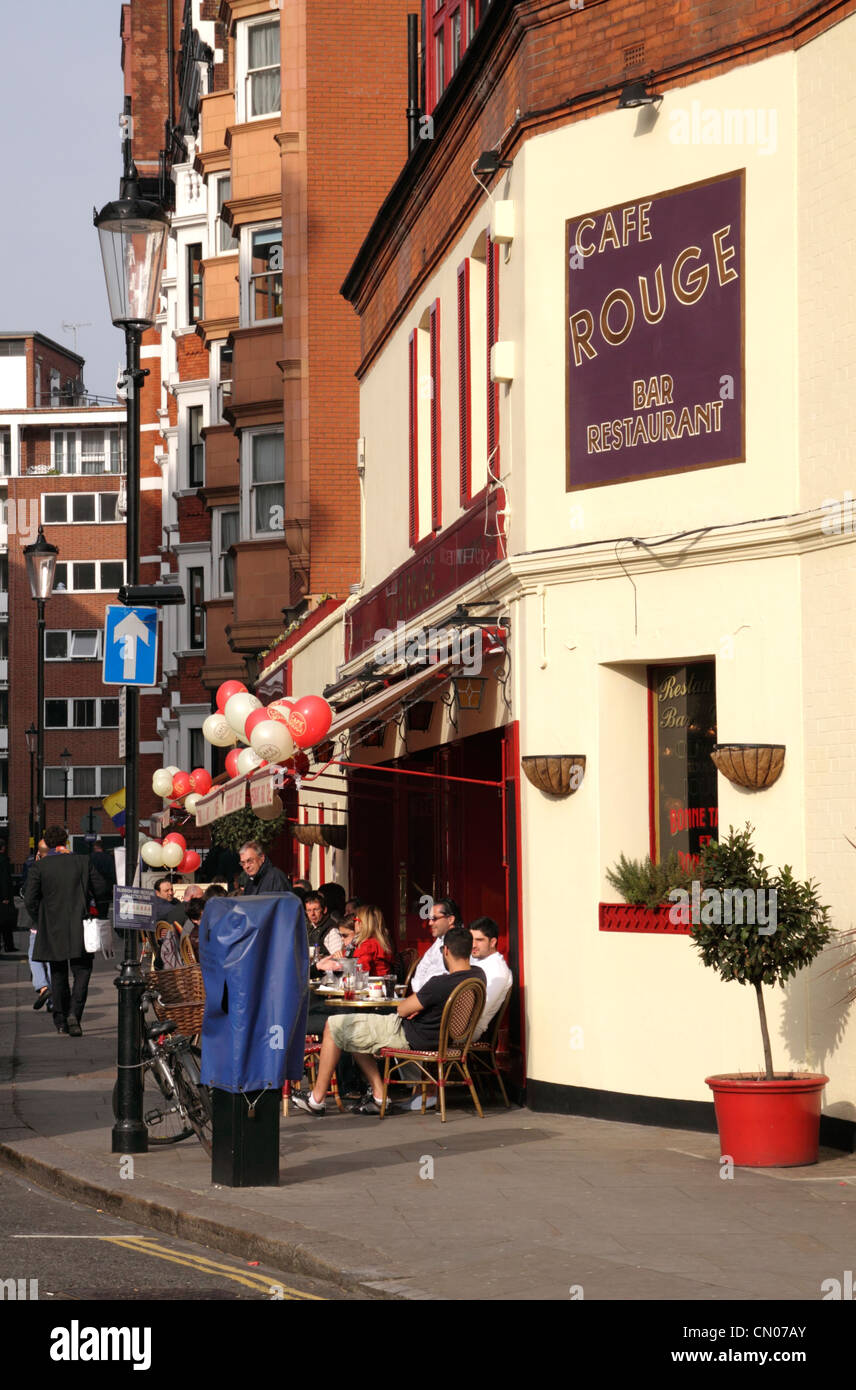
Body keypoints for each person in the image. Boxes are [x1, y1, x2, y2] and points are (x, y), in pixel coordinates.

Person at [293, 925, 486, 1116]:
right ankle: (378, 1095)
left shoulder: (440, 983)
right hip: (443, 1040)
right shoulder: (478, 976)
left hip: (410, 1035)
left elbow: (402, 1009)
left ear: (446, 951)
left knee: (335, 1025)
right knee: (352, 1027)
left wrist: (417, 1008)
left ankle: (316, 1100)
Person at [24, 826, 97, 1037]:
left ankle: (61, 1020)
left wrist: (41, 918)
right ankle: (74, 1013)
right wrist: (94, 909)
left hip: (52, 928)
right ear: (65, 841)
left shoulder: (40, 867)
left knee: (58, 974)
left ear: (46, 842)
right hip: (79, 927)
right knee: (82, 972)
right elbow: (100, 888)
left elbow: (30, 899)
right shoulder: (82, 861)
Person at [318, 905, 394, 977]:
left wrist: (341, 962)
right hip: (382, 984)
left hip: (374, 986)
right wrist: (341, 955)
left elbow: (360, 969)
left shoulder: (367, 945)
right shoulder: (378, 942)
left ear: (363, 923)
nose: (354, 922)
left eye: (355, 920)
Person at [469, 916, 513, 1040]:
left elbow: (479, 1011)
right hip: (450, 1022)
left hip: (467, 1032)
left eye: (479, 940)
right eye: (471, 939)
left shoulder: (498, 970)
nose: (473, 945)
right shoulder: (473, 958)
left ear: (493, 942)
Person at [410, 897, 462, 993]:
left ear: (450, 920)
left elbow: (444, 978)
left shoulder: (461, 943)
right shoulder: (439, 939)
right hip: (423, 996)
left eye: (434, 918)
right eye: (429, 919)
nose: (430, 923)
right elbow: (422, 966)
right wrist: (418, 992)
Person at [25, 840, 51, 1010]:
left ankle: (43, 987)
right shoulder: (59, 870)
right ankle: (52, 1001)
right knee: (50, 961)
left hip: (38, 923)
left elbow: (29, 898)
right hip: (56, 922)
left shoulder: (36, 871)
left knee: (34, 957)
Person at [305, 892, 343, 956]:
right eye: (309, 910)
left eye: (316, 909)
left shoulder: (331, 931)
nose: (312, 914)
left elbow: (338, 958)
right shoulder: (307, 927)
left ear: (324, 910)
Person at [89, 840, 116, 920]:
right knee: (103, 914)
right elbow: (112, 874)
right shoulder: (109, 858)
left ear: (95, 847)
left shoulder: (90, 857)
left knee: (93, 915)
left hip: (92, 889)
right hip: (105, 890)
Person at [0, 839, 17, 952]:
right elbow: (4, 879)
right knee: (6, 923)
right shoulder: (3, 860)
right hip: (3, 896)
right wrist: (5, 896)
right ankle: (9, 945)